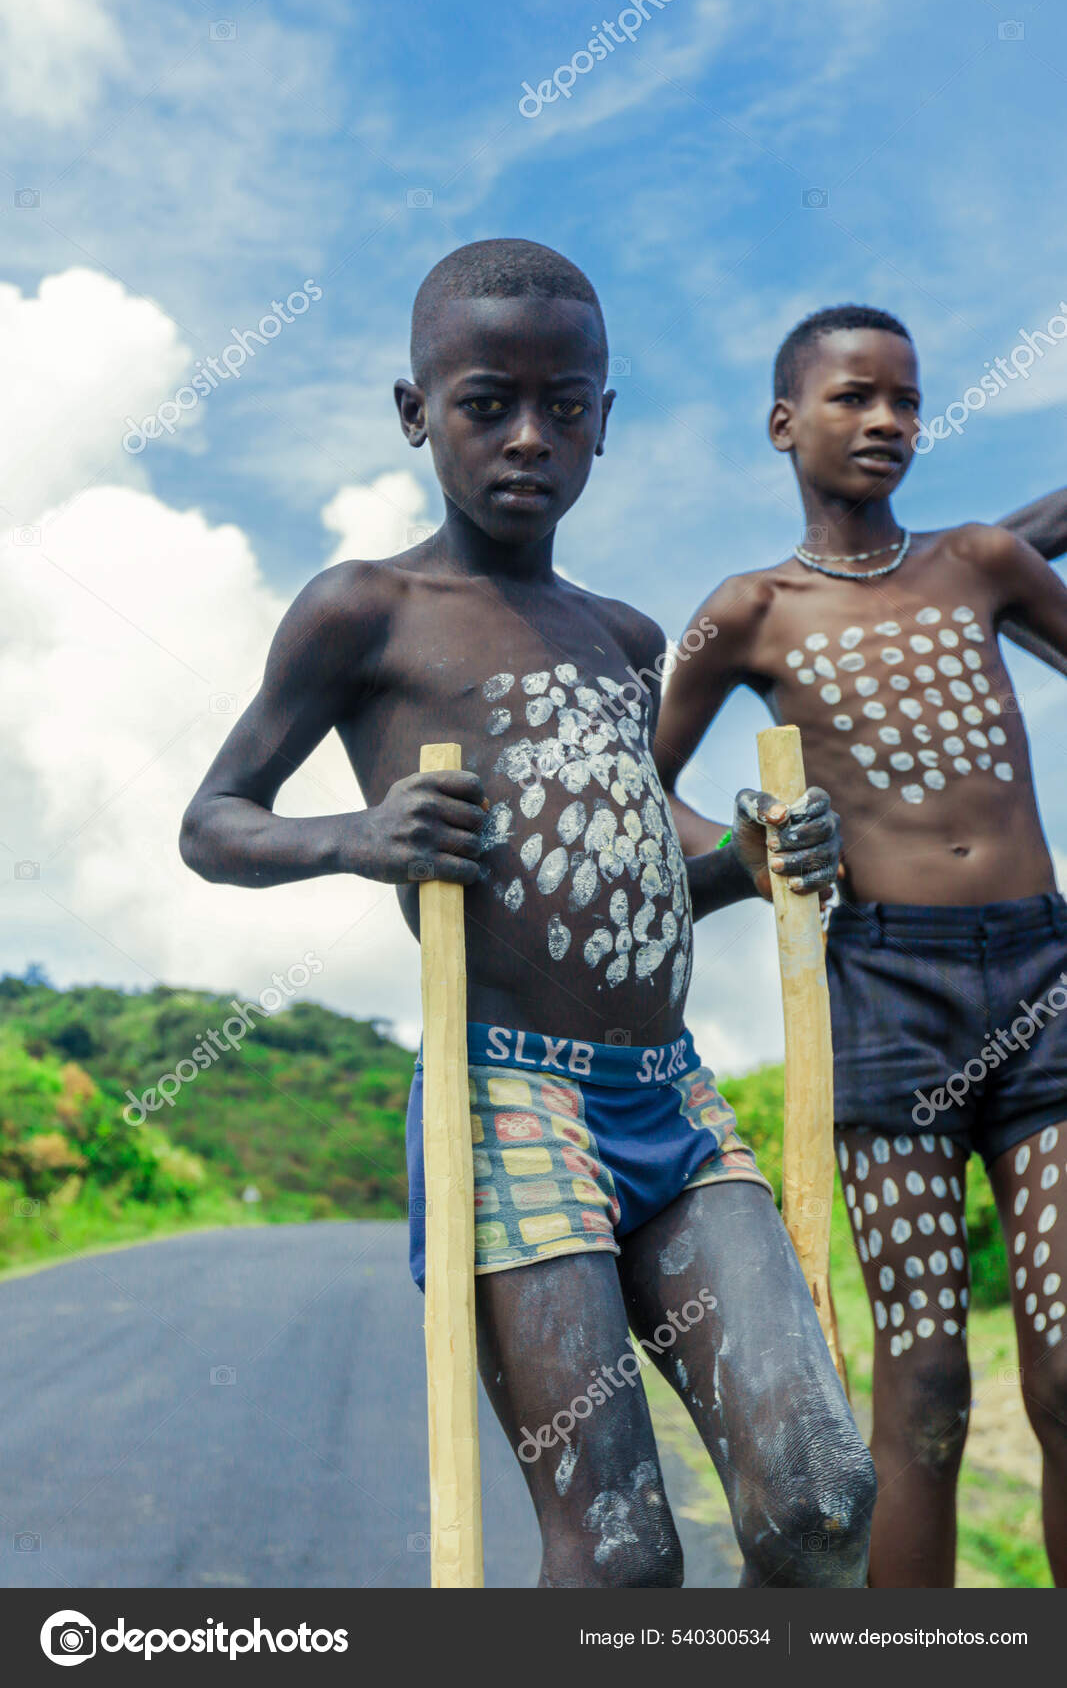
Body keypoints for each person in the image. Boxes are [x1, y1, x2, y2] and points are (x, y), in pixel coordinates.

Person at [181, 244, 876, 1589]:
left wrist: (752, 853)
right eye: (484, 402)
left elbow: (643, 849)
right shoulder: (363, 611)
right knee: (617, 1557)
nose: (526, 439)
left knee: (818, 1501)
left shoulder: (620, 636)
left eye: (565, 408)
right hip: (505, 1101)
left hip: (668, 1102)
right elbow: (213, 819)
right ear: (412, 411)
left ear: (604, 421)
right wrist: (355, 837)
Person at [655, 303, 1067, 1587]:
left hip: (1044, 975)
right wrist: (749, 842)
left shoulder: (984, 560)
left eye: (902, 398)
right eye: (851, 397)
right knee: (928, 1369)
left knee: (1063, 1361)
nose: (885, 418)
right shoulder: (747, 613)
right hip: (883, 989)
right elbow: (635, 794)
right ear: (784, 422)